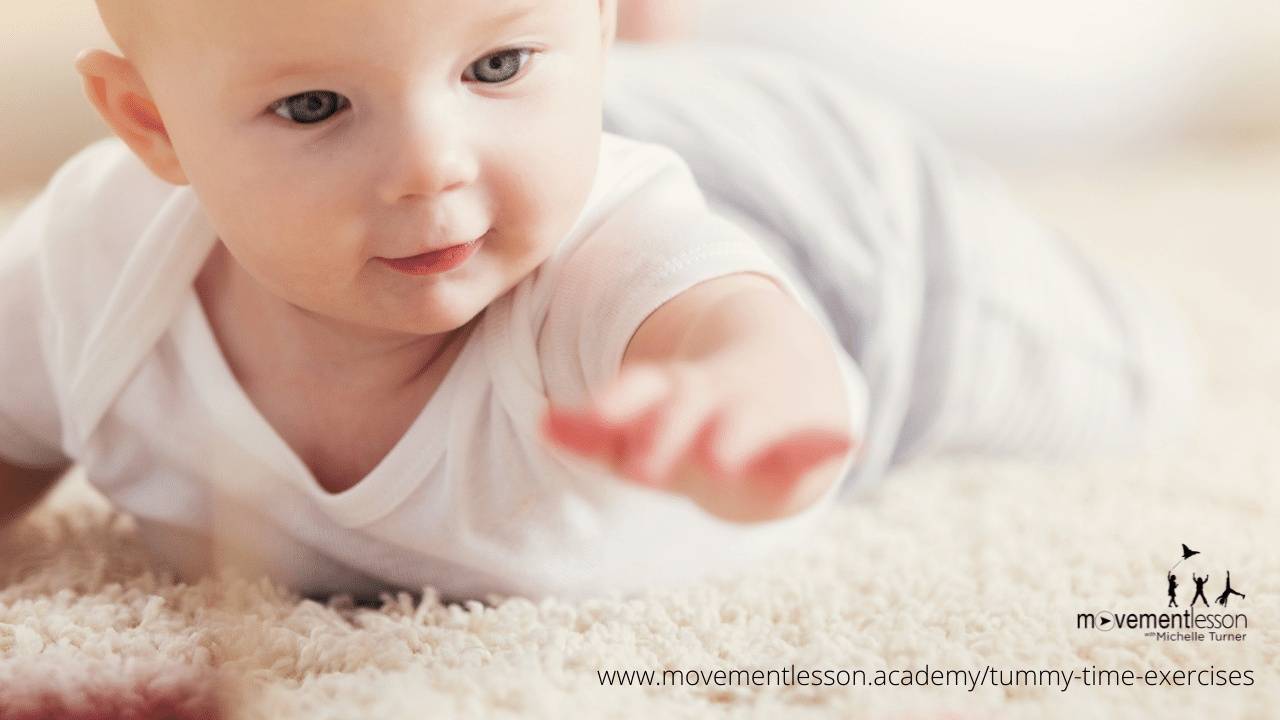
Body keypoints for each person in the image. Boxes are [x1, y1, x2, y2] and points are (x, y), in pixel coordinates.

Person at [0, 0, 1197, 602]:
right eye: (314, 108)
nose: (431, 164)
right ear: (151, 126)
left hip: (850, 233)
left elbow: (738, 330)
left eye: (493, 64)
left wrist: (735, 413)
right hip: (610, 110)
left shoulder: (608, 248)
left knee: (1137, 382)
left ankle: (629, 58)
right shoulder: (94, 265)